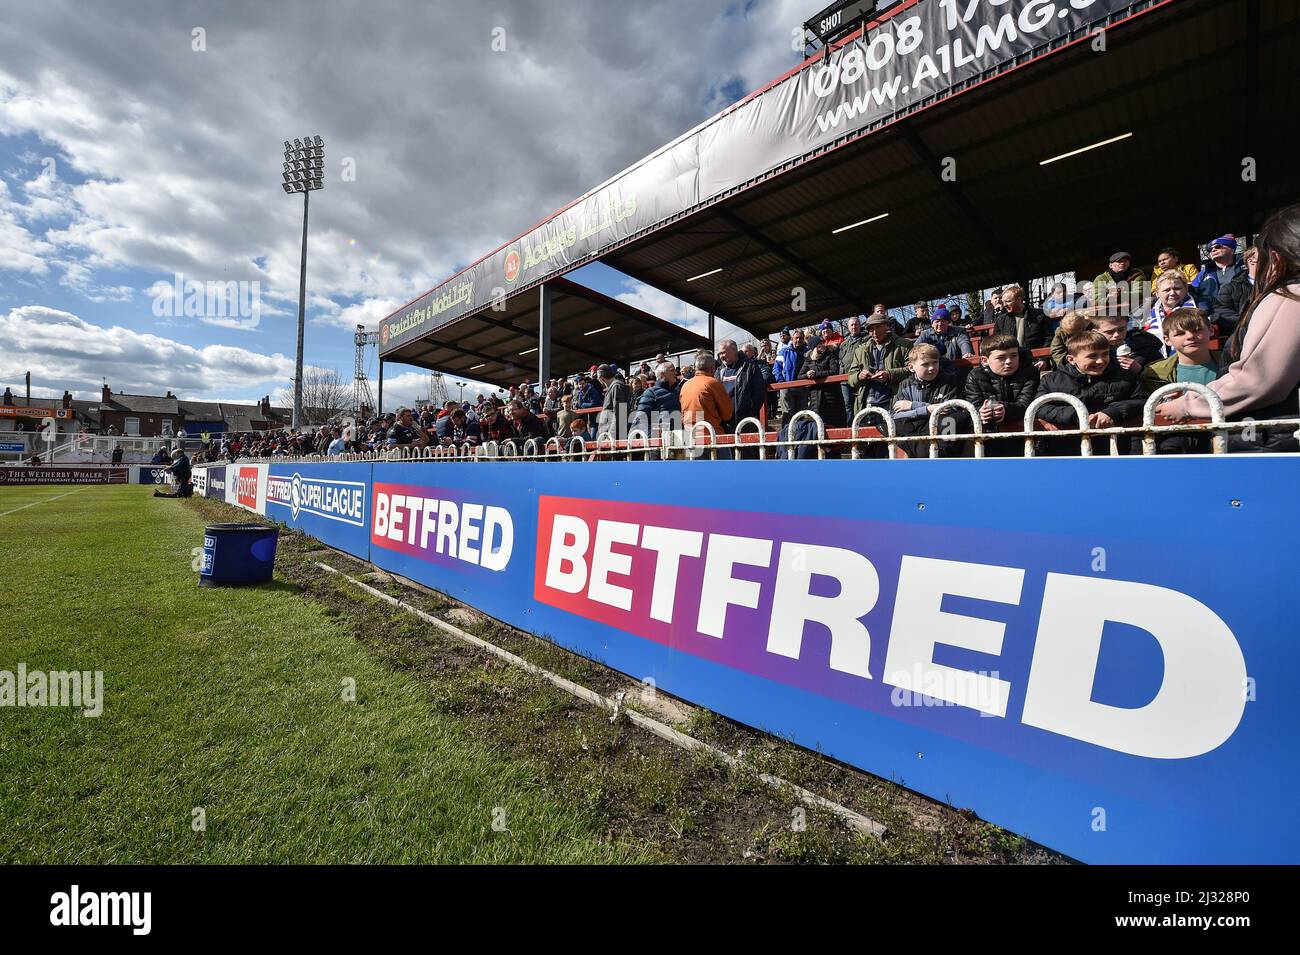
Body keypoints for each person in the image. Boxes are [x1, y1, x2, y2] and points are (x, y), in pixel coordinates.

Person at [1157, 203, 1300, 453]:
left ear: (1275, 257)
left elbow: (1258, 378)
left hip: (1273, 438)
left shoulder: (1291, 296)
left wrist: (1189, 404)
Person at [1033, 329, 1145, 454]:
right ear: (1071, 359)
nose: (1100, 361)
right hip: (1066, 448)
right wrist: (1079, 415)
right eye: (1092, 356)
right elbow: (1040, 407)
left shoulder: (1126, 377)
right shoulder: (1051, 380)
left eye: (1105, 354)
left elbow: (1141, 400)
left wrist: (1112, 412)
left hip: (1117, 446)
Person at [963, 334, 1040, 456]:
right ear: (984, 360)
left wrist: (1006, 410)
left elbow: (1027, 404)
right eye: (1001, 358)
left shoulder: (1030, 373)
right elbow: (974, 405)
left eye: (1014, 355)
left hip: (1022, 437)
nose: (1009, 361)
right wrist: (980, 412)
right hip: (986, 439)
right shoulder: (974, 376)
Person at [892, 343, 963, 457]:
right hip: (916, 435)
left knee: (951, 420)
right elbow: (896, 415)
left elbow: (951, 410)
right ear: (911, 367)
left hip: (943, 436)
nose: (932, 368)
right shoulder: (905, 385)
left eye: (935, 362)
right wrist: (927, 409)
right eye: (925, 364)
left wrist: (913, 406)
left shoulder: (950, 380)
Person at [844, 313, 911, 421]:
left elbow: (913, 370)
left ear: (887, 326)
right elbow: (851, 377)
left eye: (878, 327)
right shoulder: (860, 350)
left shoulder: (904, 345)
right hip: (866, 402)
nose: (875, 332)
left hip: (894, 401)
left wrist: (889, 374)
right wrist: (859, 376)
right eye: (871, 329)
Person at [679, 350, 733, 439]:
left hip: (690, 436)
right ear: (712, 368)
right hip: (711, 436)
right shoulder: (713, 383)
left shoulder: (685, 385)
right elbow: (727, 414)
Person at [714, 338, 766, 431]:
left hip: (745, 423)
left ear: (734, 350)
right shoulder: (719, 371)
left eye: (723, 353)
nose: (721, 356)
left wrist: (749, 413)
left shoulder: (750, 367)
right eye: (720, 354)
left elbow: (759, 393)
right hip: (724, 424)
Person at [991, 285, 1051, 360]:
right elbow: (997, 342)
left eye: (1008, 301)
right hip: (1011, 361)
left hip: (1034, 360)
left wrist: (1044, 359)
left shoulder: (1039, 316)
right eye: (1003, 302)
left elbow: (1048, 338)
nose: (1005, 305)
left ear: (1019, 299)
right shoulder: (1000, 320)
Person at [796, 339, 845, 430]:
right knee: (819, 423)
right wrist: (807, 374)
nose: (822, 345)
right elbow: (799, 376)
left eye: (822, 343)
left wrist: (816, 374)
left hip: (831, 394)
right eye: (819, 344)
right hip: (816, 397)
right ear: (814, 348)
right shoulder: (809, 360)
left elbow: (834, 371)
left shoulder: (830, 355)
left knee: (834, 422)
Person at [1143, 270, 1198, 349]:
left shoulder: (1201, 306)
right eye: (1167, 290)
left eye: (1177, 288)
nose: (1172, 293)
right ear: (1157, 293)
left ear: (1186, 289)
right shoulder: (1144, 311)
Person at [1092, 312, 1163, 373]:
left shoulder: (1144, 345)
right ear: (1095, 332)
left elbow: (1164, 372)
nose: (1117, 335)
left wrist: (1140, 370)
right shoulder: (1089, 351)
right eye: (1109, 332)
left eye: (1121, 330)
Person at [1211, 245, 1257, 335]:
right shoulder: (1229, 289)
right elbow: (1223, 315)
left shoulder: (1283, 286)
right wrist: (1251, 324)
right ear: (1251, 260)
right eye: (1267, 256)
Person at [1194, 234, 1244, 311]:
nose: (1213, 250)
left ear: (1231, 249)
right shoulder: (1203, 273)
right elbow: (1192, 293)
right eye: (1210, 249)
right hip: (1212, 316)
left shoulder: (1245, 267)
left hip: (1242, 313)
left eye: (1217, 247)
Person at [596, 364, 630, 439]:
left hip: (614, 435)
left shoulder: (616, 386)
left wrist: (611, 435)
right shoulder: (614, 387)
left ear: (601, 378)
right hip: (610, 433)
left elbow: (619, 412)